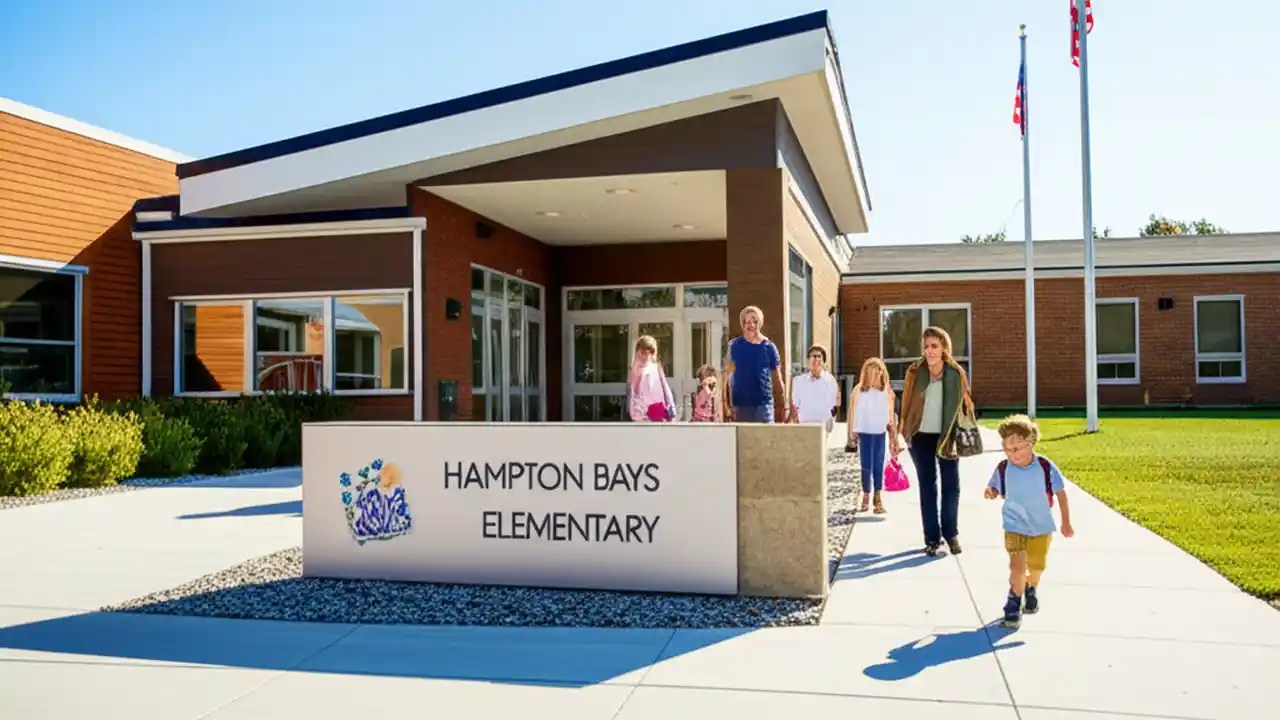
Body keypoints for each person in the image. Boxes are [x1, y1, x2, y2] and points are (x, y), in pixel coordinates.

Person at [984, 414, 1075, 628]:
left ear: (1031, 442)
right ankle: (1013, 604)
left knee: (1037, 566)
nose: (1012, 453)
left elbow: (1061, 494)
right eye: (1007, 448)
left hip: (1041, 525)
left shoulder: (1045, 467)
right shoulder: (1003, 468)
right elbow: (995, 487)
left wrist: (1066, 522)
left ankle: (1030, 586)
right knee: (1017, 566)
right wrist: (991, 491)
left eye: (1017, 448)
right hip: (1014, 524)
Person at [898, 326, 974, 557]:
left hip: (947, 435)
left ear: (944, 348)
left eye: (934, 346)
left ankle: (951, 534)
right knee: (927, 486)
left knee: (951, 486)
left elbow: (966, 404)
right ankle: (932, 538)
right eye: (926, 346)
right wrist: (903, 431)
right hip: (921, 436)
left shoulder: (955, 372)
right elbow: (907, 403)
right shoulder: (914, 371)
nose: (929, 351)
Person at [848, 356, 897, 514]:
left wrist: (894, 438)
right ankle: (866, 494)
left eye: (879, 372)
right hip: (865, 434)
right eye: (874, 372)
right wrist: (851, 434)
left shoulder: (887, 392)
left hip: (879, 433)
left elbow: (891, 417)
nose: (877, 375)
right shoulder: (859, 391)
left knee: (878, 465)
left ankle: (877, 495)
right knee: (866, 465)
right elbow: (853, 412)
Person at [724, 305, 785, 423]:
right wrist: (726, 404)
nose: (751, 325)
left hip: (763, 405)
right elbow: (727, 377)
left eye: (754, 321)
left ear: (760, 323)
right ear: (743, 324)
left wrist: (783, 403)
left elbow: (777, 378)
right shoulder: (735, 346)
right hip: (740, 405)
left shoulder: (769, 347)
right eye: (747, 322)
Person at [787, 344, 840, 431]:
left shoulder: (830, 380)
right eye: (813, 356)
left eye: (819, 356)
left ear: (823, 361)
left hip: (824, 426)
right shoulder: (799, 380)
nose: (816, 359)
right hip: (805, 426)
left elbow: (835, 403)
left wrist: (832, 419)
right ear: (808, 360)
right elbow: (794, 405)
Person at [628, 335, 675, 423]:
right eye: (642, 353)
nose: (645, 356)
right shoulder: (635, 369)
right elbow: (634, 388)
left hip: (657, 409)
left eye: (648, 353)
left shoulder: (656, 367)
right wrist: (637, 365)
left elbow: (665, 387)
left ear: (652, 353)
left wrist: (670, 406)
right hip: (640, 413)